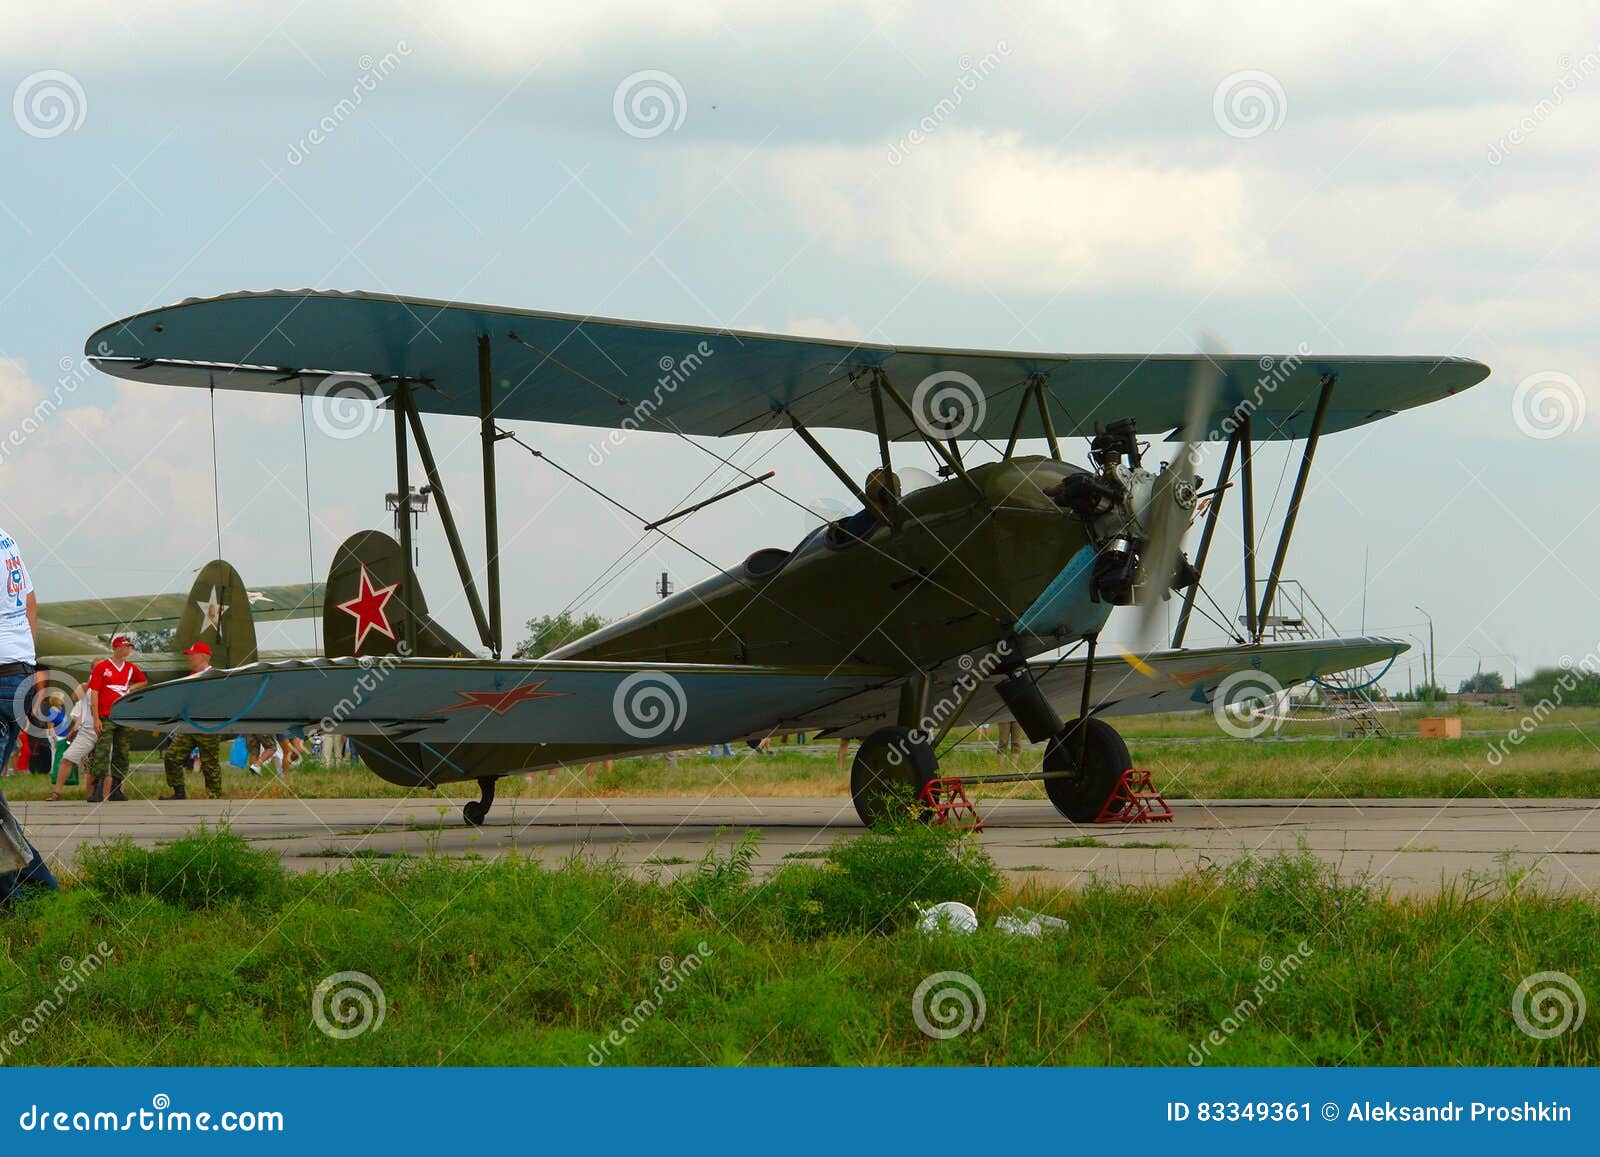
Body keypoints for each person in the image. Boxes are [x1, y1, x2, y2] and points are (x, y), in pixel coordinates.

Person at [0, 524, 58, 904]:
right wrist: (27, 658)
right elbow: (30, 600)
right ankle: (41, 886)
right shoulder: (7, 538)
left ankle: (15, 904)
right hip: (15, 675)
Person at [85, 633, 147, 802]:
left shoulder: (131, 668)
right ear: (115, 647)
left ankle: (116, 789)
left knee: (122, 752)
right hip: (106, 716)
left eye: (129, 646)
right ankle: (97, 789)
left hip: (124, 717)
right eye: (125, 646)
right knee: (102, 752)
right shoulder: (102, 667)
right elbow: (94, 692)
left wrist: (131, 687)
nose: (128, 649)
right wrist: (96, 717)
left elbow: (143, 681)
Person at [162, 642, 221, 800]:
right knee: (172, 756)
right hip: (189, 726)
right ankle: (179, 792)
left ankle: (213, 796)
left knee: (210, 763)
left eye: (191, 655)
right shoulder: (191, 676)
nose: (189, 658)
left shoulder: (216, 676)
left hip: (209, 725)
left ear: (202, 657)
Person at [47, 690, 95, 801]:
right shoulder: (52, 711)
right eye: (62, 698)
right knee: (57, 756)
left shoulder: (62, 710)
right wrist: (54, 737)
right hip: (57, 737)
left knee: (64, 756)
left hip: (64, 736)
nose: (64, 700)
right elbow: (50, 726)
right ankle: (54, 774)